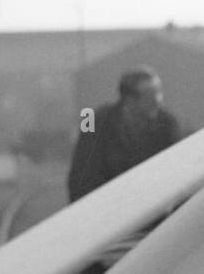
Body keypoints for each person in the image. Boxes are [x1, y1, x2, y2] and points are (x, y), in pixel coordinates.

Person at [67, 66, 183, 203]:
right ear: (130, 100)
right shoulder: (92, 119)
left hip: (151, 205)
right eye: (149, 95)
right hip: (106, 206)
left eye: (158, 93)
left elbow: (174, 172)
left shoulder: (168, 123)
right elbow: (81, 174)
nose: (157, 101)